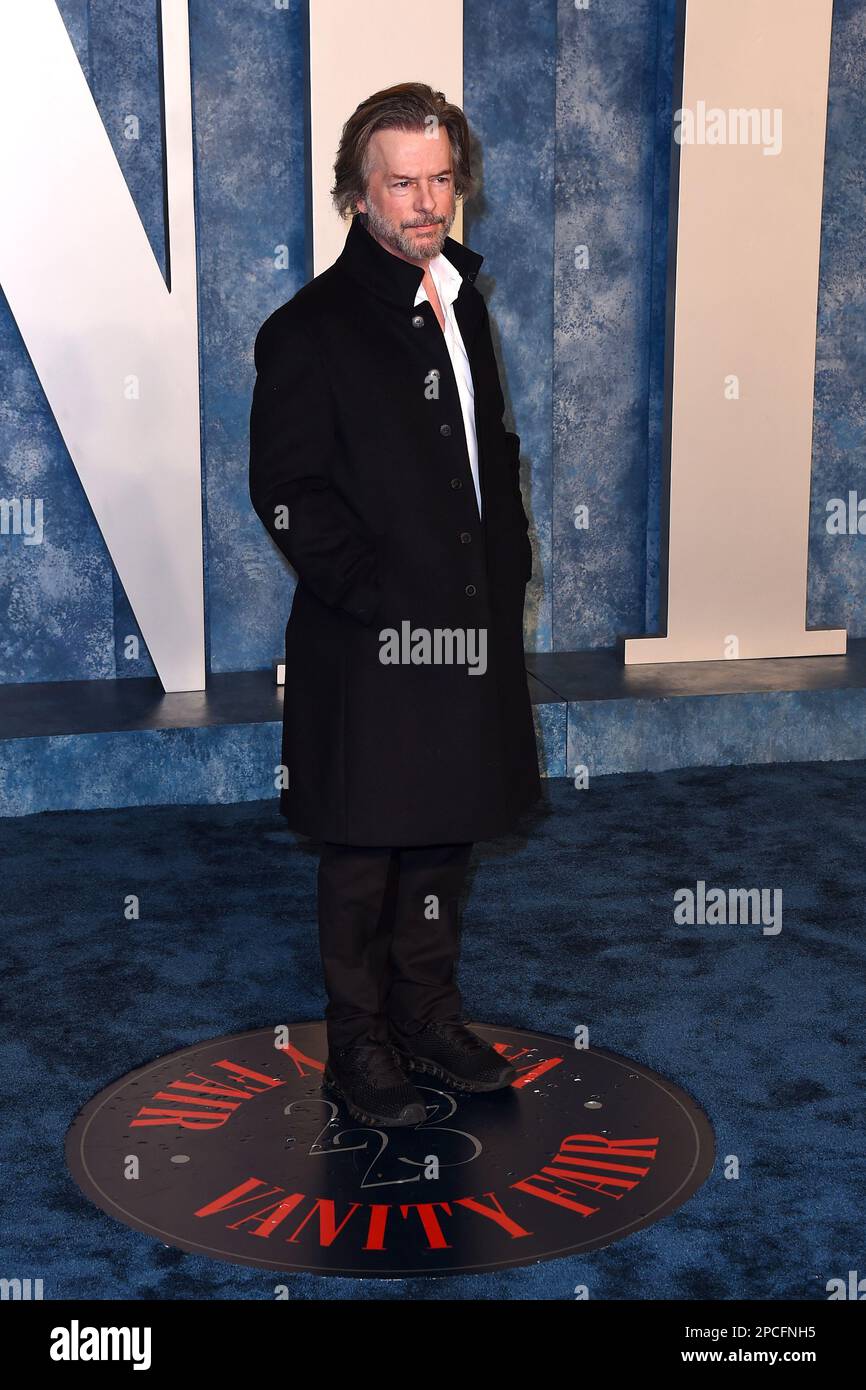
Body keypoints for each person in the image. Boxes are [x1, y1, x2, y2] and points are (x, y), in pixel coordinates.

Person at [249, 82, 540, 1128]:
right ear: (355, 194)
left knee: (443, 832)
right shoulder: (308, 331)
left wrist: (497, 580)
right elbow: (286, 490)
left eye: (440, 179)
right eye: (400, 183)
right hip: (370, 640)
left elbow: (488, 455)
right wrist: (379, 600)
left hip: (465, 629)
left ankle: (427, 1013)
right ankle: (358, 1042)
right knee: (365, 844)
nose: (425, 204)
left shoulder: (462, 300)